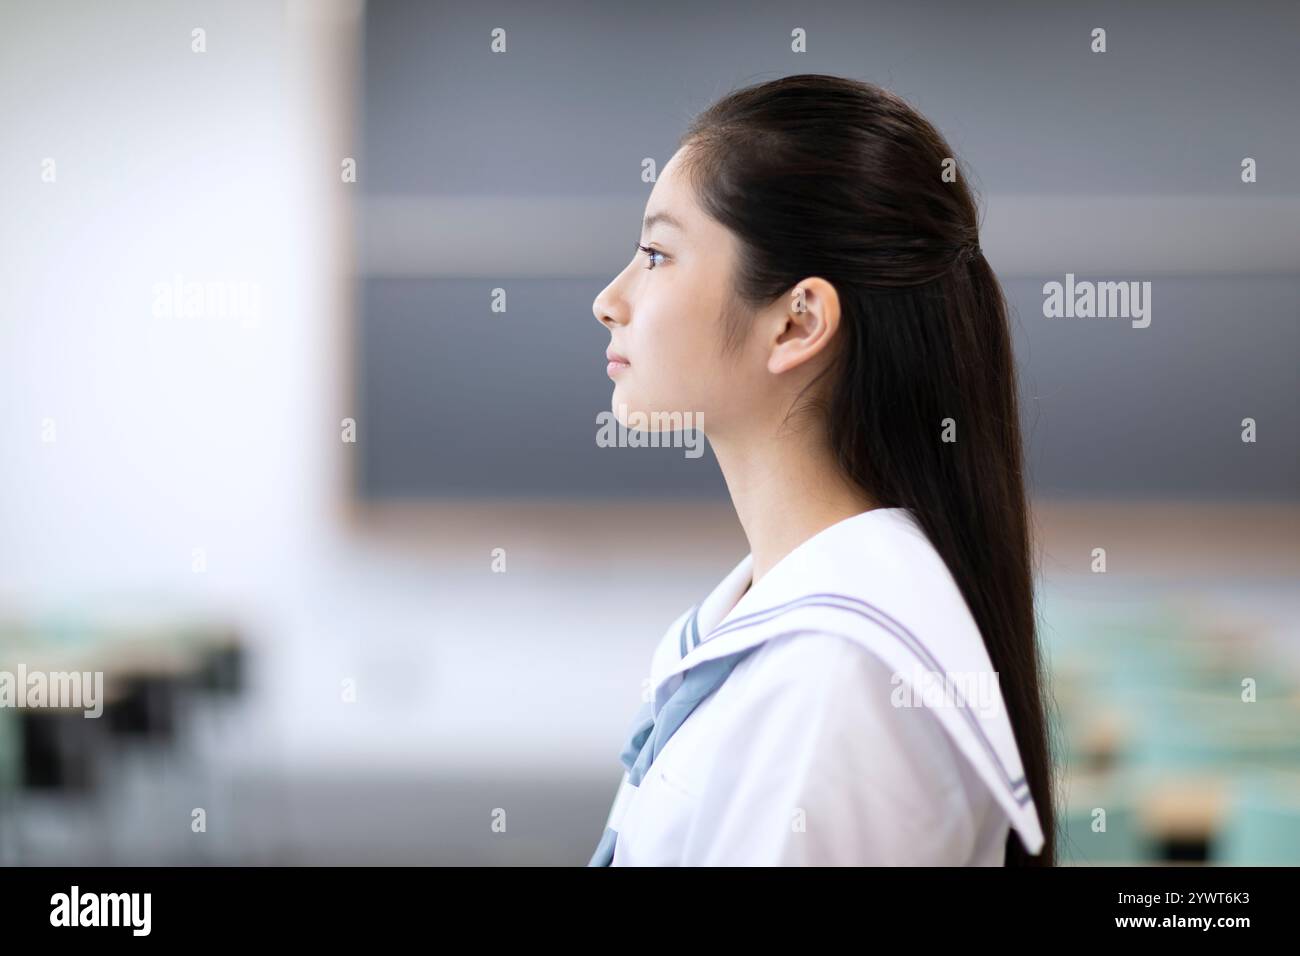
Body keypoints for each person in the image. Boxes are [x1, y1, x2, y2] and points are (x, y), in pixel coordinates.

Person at [589, 74, 1053, 866]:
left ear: (797, 321)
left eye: (657, 254)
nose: (610, 299)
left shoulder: (841, 681)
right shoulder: (771, 616)